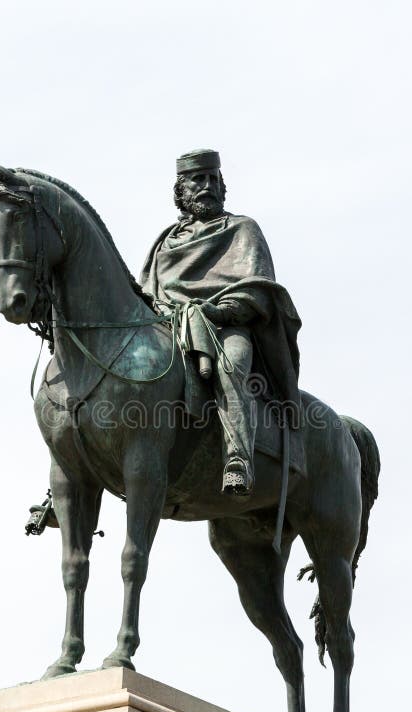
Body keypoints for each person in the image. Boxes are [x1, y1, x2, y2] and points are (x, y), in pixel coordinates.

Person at [140, 149, 302, 496]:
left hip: (226, 326)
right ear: (180, 190)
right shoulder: (166, 242)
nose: (208, 186)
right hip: (170, 328)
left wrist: (217, 312)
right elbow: (146, 295)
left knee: (231, 366)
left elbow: (258, 293)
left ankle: (238, 459)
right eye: (198, 179)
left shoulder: (242, 229)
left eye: (214, 179)